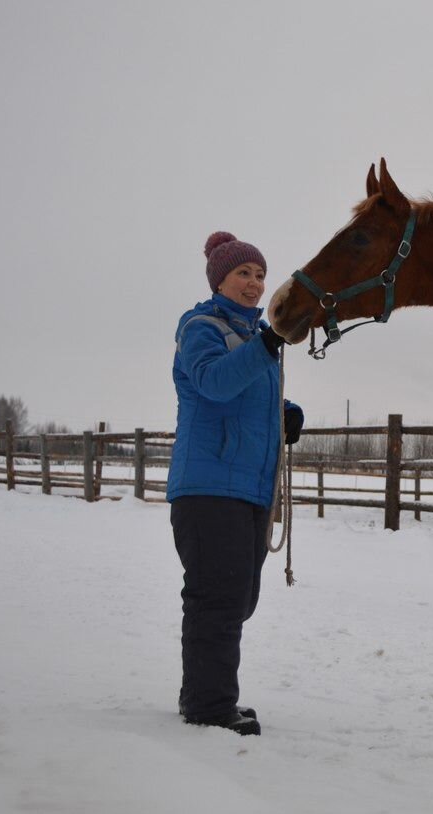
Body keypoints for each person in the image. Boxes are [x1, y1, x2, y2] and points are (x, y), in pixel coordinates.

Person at [166, 231, 303, 736]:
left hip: (249, 489)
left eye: (260, 274)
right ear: (219, 280)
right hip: (208, 487)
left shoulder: (256, 336)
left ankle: (208, 695)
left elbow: (250, 398)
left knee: (239, 598)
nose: (255, 283)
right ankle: (208, 705)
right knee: (217, 598)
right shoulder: (200, 327)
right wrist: (268, 344)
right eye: (243, 273)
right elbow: (215, 383)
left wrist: (287, 411)